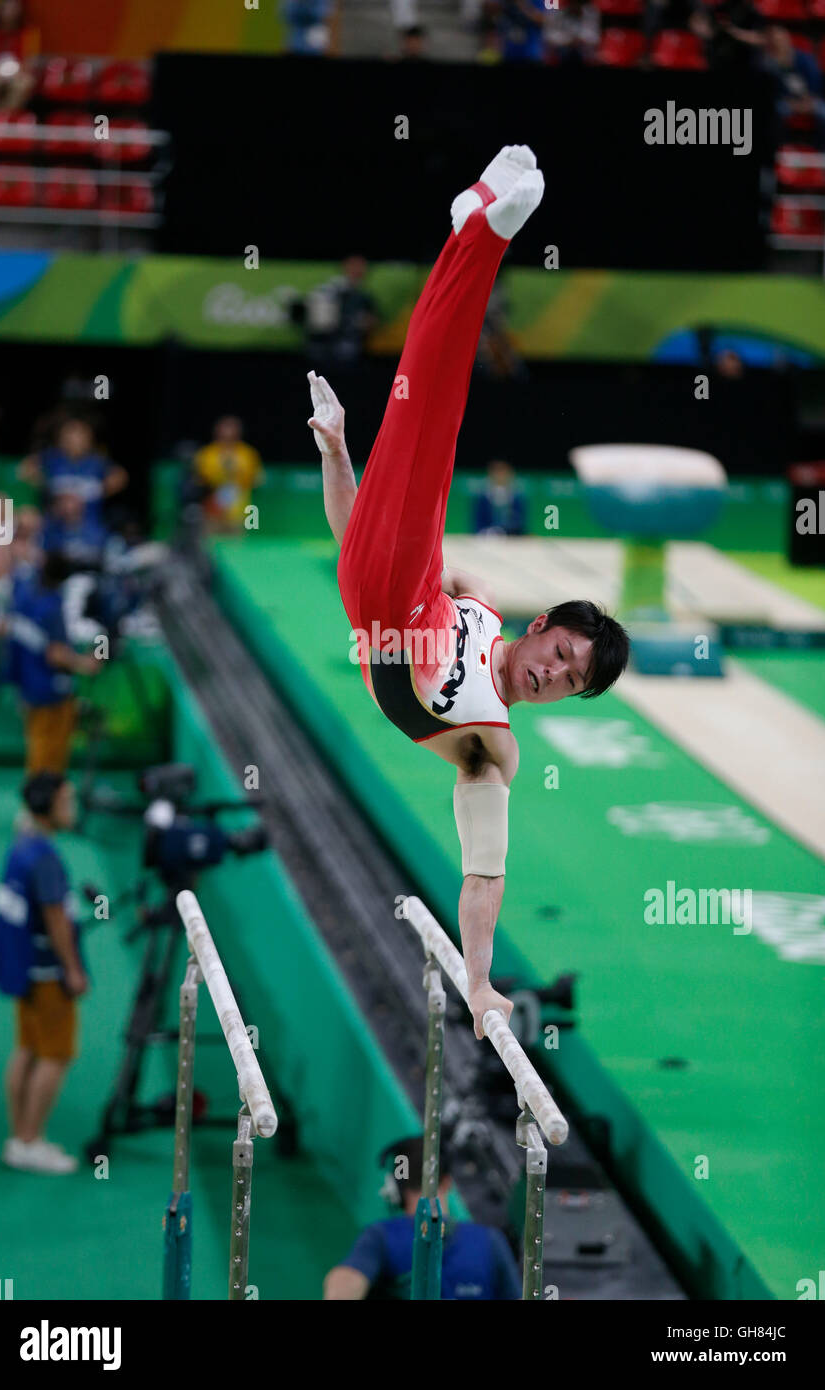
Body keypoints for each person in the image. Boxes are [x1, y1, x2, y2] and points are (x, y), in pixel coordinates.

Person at [309, 146, 629, 1038]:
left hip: (385, 616)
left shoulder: (492, 742)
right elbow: (362, 539)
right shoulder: (480, 601)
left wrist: (482, 980)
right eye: (561, 656)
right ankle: (472, 233)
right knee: (432, 415)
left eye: (570, 684)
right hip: (398, 591)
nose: (553, 677)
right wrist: (339, 454)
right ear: (541, 628)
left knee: (426, 423)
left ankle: (477, 231)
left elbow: (484, 869)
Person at [0, 772, 88, 1174]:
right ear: (49, 807)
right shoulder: (45, 859)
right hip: (47, 973)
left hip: (23, 969)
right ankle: (30, 1142)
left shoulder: (22, 844)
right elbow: (56, 919)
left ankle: (18, 1138)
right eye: (67, 801)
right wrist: (74, 970)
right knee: (55, 1055)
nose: (72, 808)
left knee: (27, 1048)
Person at [323, 1135, 521, 1299]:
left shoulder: (381, 1236)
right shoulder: (490, 1241)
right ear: (447, 1182)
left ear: (396, 1189)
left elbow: (347, 1281)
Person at [6, 550, 100, 774]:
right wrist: (86, 663)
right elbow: (55, 653)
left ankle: (38, 802)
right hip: (50, 690)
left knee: (38, 748)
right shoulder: (52, 607)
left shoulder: (26, 598)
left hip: (30, 686)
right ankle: (41, 803)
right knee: (51, 753)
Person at [20, 416, 128, 531]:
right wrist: (44, 484)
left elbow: (121, 476)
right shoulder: (51, 457)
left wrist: (98, 490)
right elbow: (26, 468)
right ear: (60, 438)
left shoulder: (97, 461)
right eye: (69, 435)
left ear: (89, 439)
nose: (74, 440)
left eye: (80, 435)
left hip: (91, 528)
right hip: (53, 528)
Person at [297, 255, 379, 372]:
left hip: (349, 354)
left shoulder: (364, 297)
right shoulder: (327, 290)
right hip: (320, 352)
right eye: (353, 266)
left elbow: (373, 320)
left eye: (361, 267)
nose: (357, 270)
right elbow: (308, 318)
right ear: (344, 267)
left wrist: (366, 322)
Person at [763, 25, 825, 148]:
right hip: (784, 101)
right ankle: (779, 148)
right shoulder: (768, 64)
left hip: (809, 100)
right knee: (774, 112)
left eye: (781, 39)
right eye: (775, 41)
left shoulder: (804, 59)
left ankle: (820, 149)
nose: (778, 43)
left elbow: (816, 82)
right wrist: (790, 102)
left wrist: (808, 101)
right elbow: (770, 89)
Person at [192, 415, 264, 534]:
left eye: (232, 428)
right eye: (225, 428)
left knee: (236, 548)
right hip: (212, 512)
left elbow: (257, 480)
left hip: (239, 512)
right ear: (217, 431)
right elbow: (199, 481)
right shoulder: (207, 454)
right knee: (210, 546)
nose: (228, 432)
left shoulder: (248, 454)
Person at [474, 460, 527, 535]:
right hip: (487, 539)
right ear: (490, 473)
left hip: (512, 540)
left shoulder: (517, 498)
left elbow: (522, 526)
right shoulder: (482, 498)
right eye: (497, 471)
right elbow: (477, 526)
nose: (500, 475)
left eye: (503, 471)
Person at [543, 0, 600, 65]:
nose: (575, 5)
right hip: (561, 53)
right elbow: (548, 36)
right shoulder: (556, 11)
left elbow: (595, 38)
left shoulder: (591, 12)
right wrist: (567, 41)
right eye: (572, 2)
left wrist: (580, 40)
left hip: (583, 53)